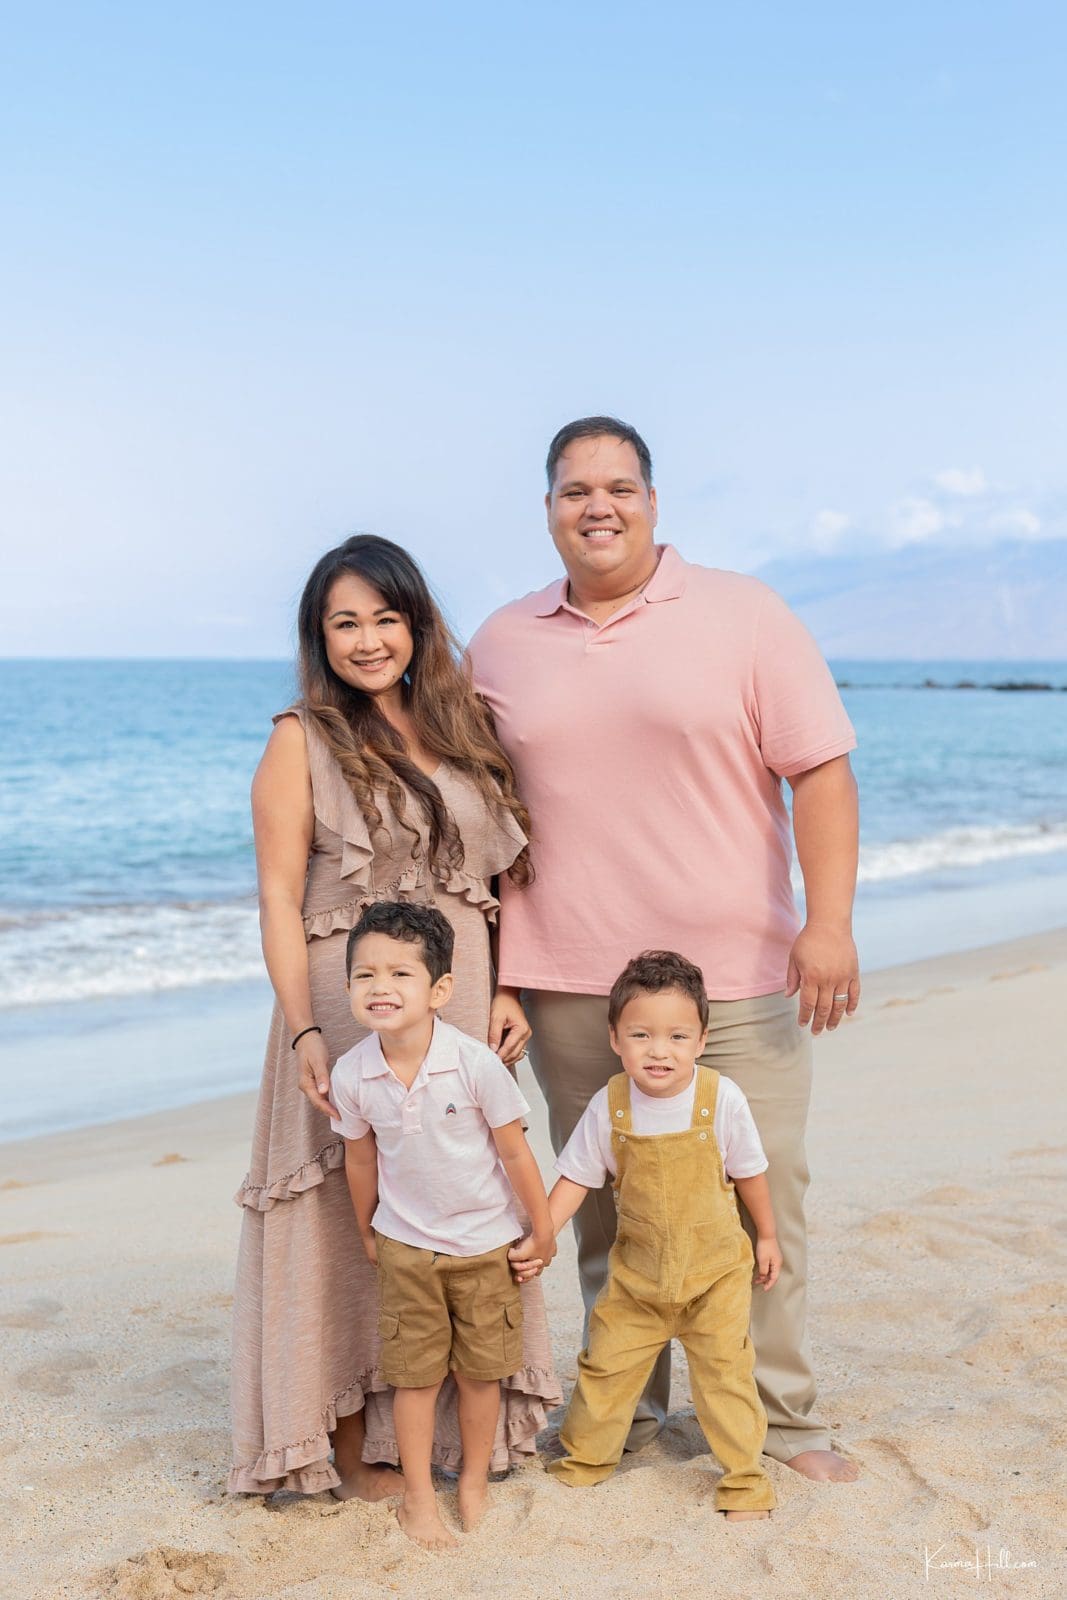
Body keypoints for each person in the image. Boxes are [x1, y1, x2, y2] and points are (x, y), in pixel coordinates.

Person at [468, 417, 861, 1481]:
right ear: (546, 508)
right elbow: (478, 814)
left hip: (734, 975)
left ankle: (781, 1420)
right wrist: (497, 971)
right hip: (566, 980)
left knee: (761, 1191)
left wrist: (826, 922)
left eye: (618, 486)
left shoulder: (743, 614)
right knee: (600, 1202)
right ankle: (625, 1413)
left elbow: (818, 769)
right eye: (571, 490)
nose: (596, 505)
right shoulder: (499, 641)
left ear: (652, 500)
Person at [229, 534, 560, 1500]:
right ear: (318, 637)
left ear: (415, 624)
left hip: (460, 1001)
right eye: (345, 622)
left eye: (385, 617)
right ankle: (335, 1442)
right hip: (346, 1002)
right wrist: (302, 1030)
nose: (368, 639)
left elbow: (508, 880)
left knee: (462, 1186)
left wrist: (510, 985)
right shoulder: (300, 739)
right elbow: (278, 899)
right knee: (348, 1209)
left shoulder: (464, 731)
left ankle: (457, 1432)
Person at [513, 951, 779, 1518]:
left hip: (716, 1276)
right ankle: (585, 1462)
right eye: (642, 1034)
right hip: (637, 1279)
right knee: (605, 1368)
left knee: (726, 1377)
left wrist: (769, 1237)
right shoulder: (610, 1106)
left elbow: (751, 1172)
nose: (660, 1050)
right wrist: (543, 1236)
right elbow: (575, 1179)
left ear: (701, 1040)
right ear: (615, 1038)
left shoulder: (719, 1098)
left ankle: (744, 1481)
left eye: (678, 1036)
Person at [332, 900, 557, 1549]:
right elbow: (358, 1157)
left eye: (400, 974)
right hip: (407, 1248)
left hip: (486, 1246)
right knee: (414, 1377)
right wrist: (367, 1229)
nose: (380, 987)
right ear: (347, 987)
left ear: (439, 990)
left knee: (481, 1374)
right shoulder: (353, 1074)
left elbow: (515, 1150)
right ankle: (421, 1498)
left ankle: (474, 1482)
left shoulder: (473, 1062)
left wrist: (540, 1231)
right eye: (365, 975)